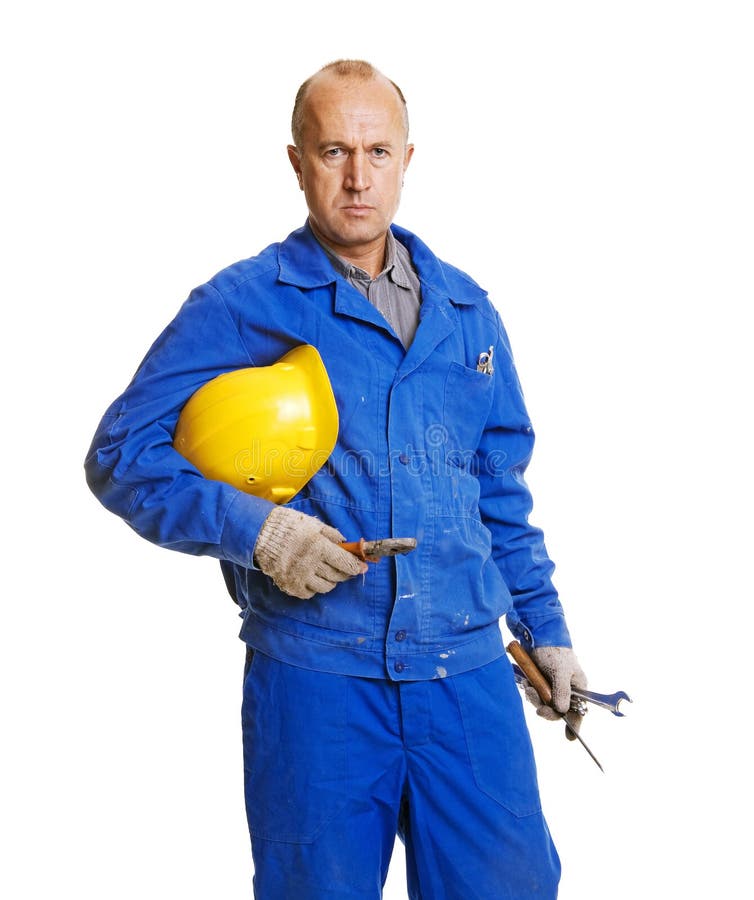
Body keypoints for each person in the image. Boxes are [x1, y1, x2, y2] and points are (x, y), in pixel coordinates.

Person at [85, 59, 588, 899]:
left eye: (378, 152)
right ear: (296, 162)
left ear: (408, 160)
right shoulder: (245, 301)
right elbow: (120, 453)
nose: (358, 177)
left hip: (465, 679)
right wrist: (259, 532)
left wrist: (548, 630)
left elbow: (499, 490)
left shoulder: (468, 312)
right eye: (333, 151)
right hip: (317, 683)